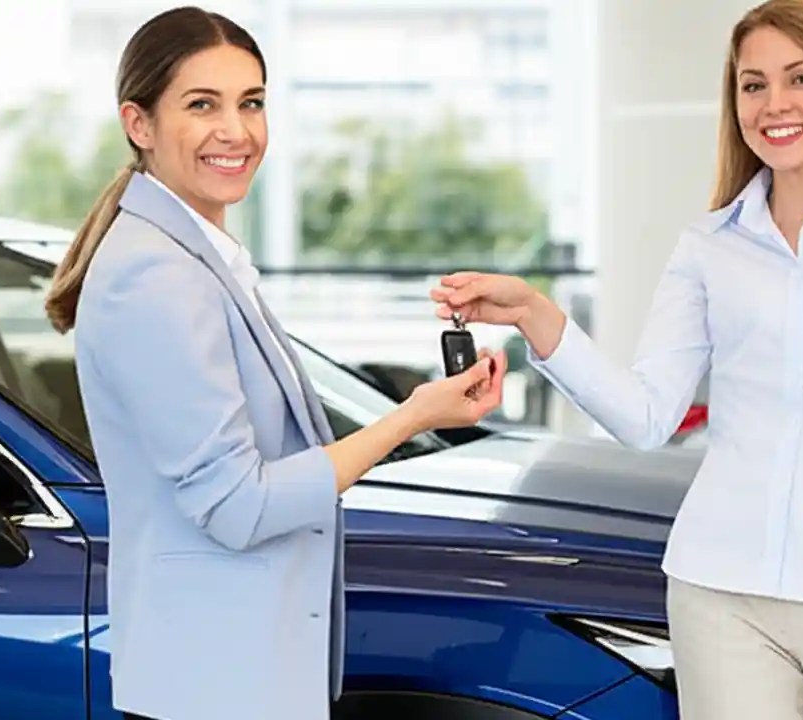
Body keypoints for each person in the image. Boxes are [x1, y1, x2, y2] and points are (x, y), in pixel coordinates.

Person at [430, 0, 803, 718]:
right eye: (753, 85)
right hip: (722, 595)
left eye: (800, 78)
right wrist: (536, 314)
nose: (774, 105)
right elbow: (646, 415)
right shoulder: (708, 247)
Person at [44, 8, 506, 720]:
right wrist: (412, 419)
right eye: (203, 105)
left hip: (239, 680)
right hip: (213, 689)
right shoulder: (156, 276)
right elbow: (240, 506)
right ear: (139, 124)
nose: (237, 131)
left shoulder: (198, 258)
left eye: (252, 103)